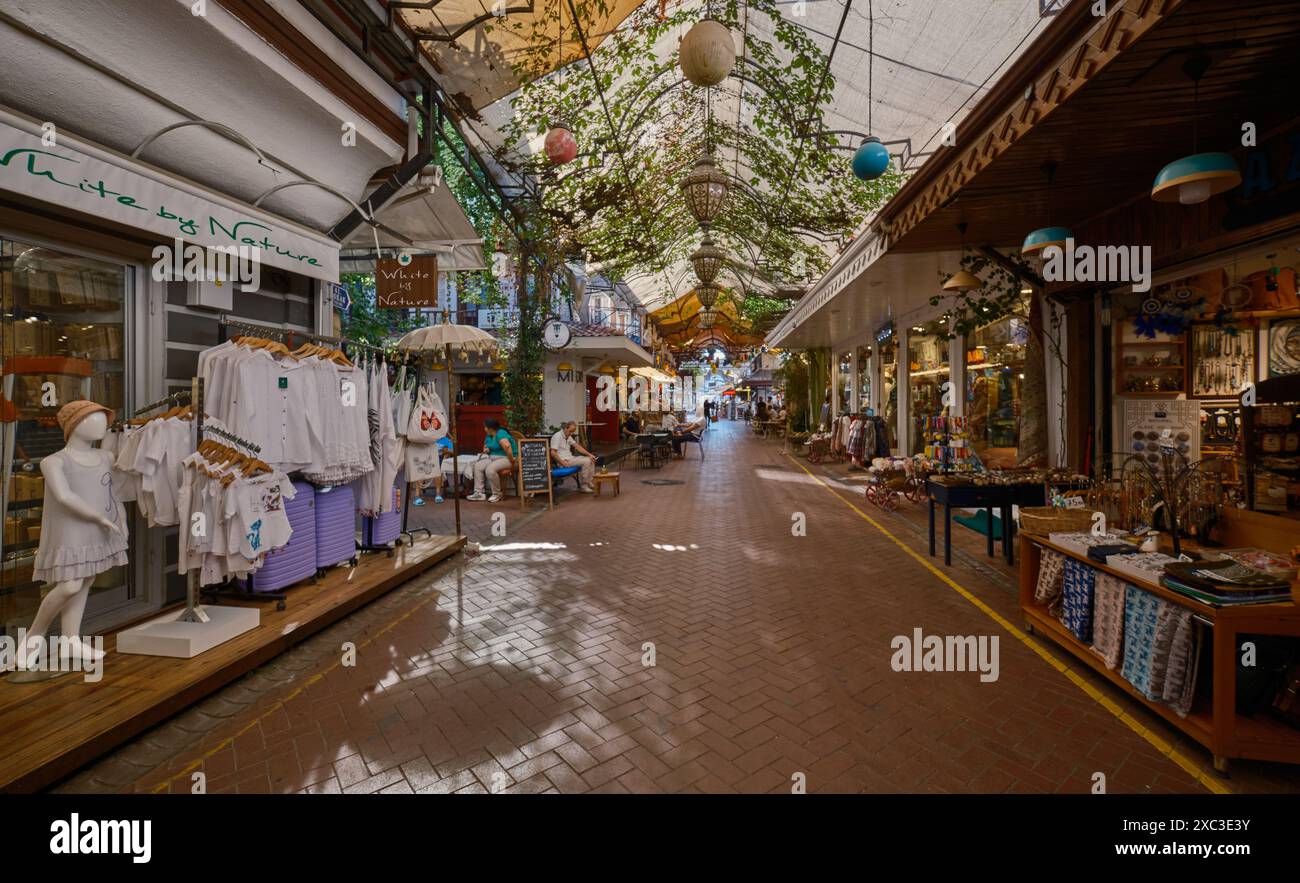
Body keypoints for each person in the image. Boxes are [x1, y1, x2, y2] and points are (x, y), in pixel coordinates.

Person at [467, 418, 514, 503]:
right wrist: (486, 449)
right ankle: (479, 493)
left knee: (490, 469)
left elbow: (507, 446)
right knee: (478, 466)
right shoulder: (489, 435)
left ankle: (497, 494)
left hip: (506, 458)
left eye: (485, 427)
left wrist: (512, 460)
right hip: (492, 458)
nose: (484, 428)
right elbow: (485, 446)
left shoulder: (501, 433)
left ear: (491, 428)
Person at [550, 421, 596, 493]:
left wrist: (589, 454)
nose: (571, 433)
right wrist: (563, 463)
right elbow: (553, 452)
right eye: (570, 431)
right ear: (565, 428)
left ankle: (589, 481)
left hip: (570, 459)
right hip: (564, 461)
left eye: (573, 432)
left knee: (591, 459)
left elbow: (577, 446)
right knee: (586, 461)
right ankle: (584, 486)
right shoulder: (557, 436)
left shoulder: (568, 436)